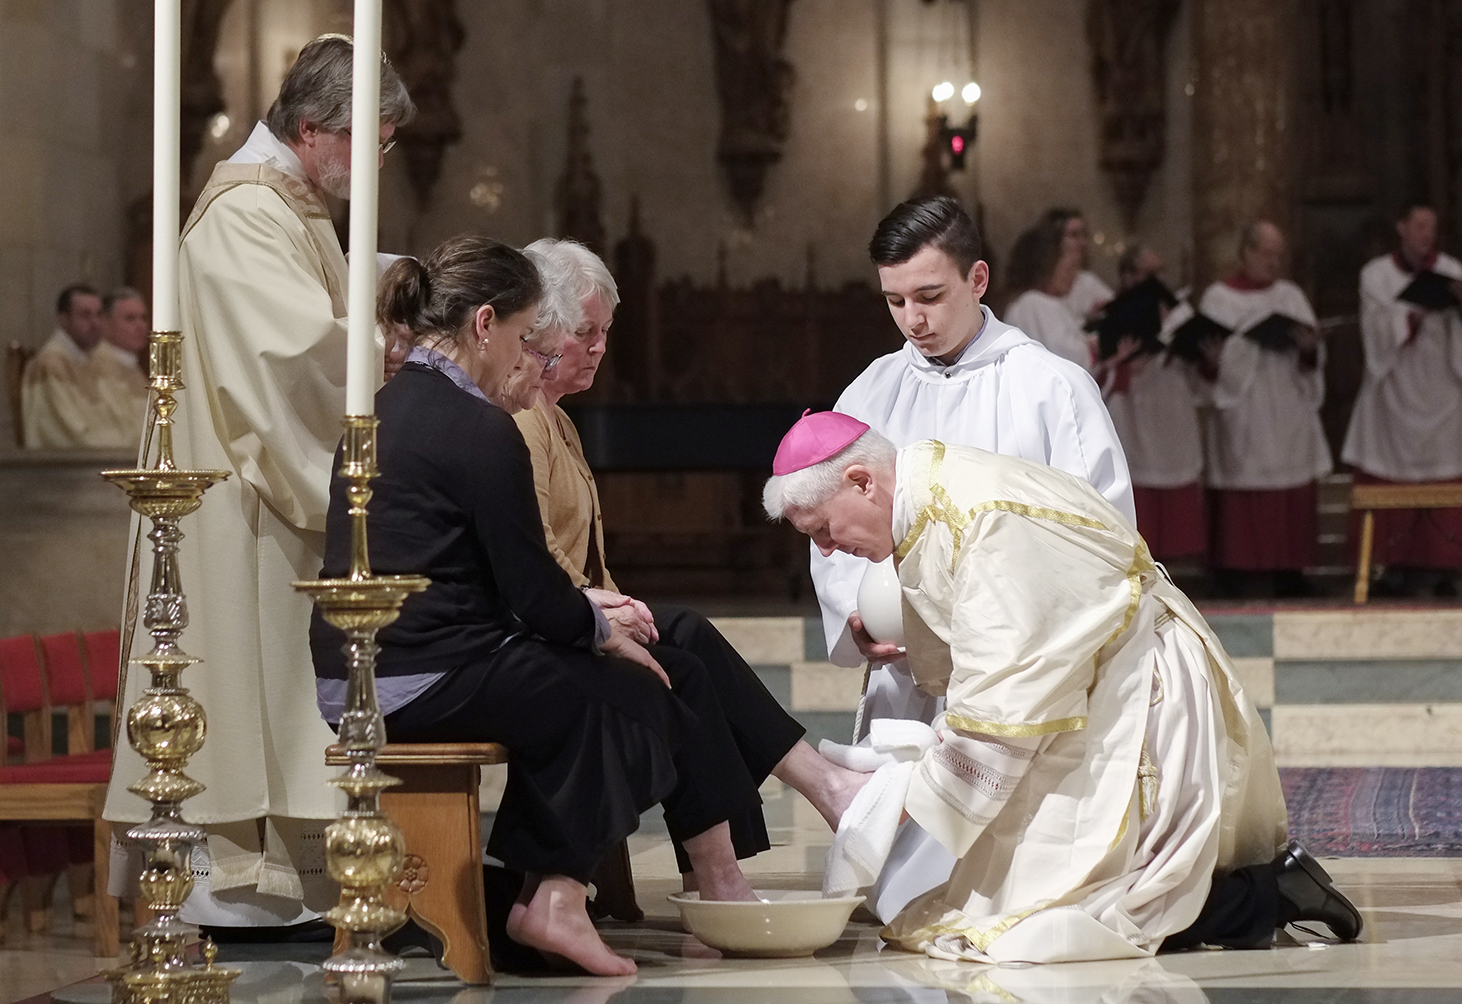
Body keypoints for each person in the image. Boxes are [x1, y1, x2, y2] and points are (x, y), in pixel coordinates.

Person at [312, 235, 860, 975]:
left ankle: (550, 895)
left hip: (370, 665)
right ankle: (549, 899)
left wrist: (594, 629)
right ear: (485, 324)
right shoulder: (478, 427)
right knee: (639, 694)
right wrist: (601, 630)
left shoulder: (388, 407)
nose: (528, 357)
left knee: (631, 683)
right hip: (419, 674)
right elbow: (532, 590)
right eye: (523, 337)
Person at [765, 411, 1363, 963]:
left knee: (1053, 917)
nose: (826, 549)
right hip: (1083, 681)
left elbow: (1007, 685)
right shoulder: (932, 495)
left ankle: (1270, 894)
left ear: (862, 482)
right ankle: (1256, 892)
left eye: (822, 529)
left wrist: (913, 797)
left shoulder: (981, 514)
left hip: (1133, 687)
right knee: (1024, 899)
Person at [104, 35, 416, 932]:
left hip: (261, 485)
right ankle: (232, 893)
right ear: (313, 128)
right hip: (235, 501)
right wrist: (383, 344)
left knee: (277, 680)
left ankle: (304, 883)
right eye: (373, 140)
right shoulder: (245, 213)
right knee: (240, 672)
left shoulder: (290, 204)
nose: (380, 161)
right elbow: (288, 356)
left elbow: (314, 318)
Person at [812, 195, 1133, 922]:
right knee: (898, 895)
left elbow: (1103, 532)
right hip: (908, 664)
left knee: (1014, 888)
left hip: (1022, 667)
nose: (912, 320)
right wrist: (856, 616)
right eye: (894, 301)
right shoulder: (870, 393)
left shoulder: (1050, 387)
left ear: (978, 279)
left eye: (930, 296)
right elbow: (830, 526)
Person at [511, 238, 863, 885]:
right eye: (586, 333)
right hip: (545, 626)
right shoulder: (525, 420)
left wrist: (617, 608)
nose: (600, 348)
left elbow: (588, 554)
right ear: (542, 325)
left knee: (685, 637)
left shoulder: (557, 419)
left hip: (577, 615)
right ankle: (752, 842)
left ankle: (757, 838)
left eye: (606, 333)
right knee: (685, 657)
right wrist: (608, 618)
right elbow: (533, 547)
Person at [1198, 221, 1331, 597]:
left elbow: (1312, 352)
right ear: (1247, 252)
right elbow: (1209, 358)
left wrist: (1308, 349)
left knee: (1291, 486)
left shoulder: (1290, 295)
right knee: (1244, 487)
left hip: (1287, 407)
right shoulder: (1219, 298)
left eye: (1278, 255)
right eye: (1266, 254)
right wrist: (1228, 354)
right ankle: (1235, 572)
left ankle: (1291, 570)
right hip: (1246, 411)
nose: (1273, 262)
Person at [1342, 205, 1462, 595]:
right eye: (1420, 226)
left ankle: (1442, 568)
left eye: (1433, 228)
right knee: (1387, 470)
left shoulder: (1452, 270)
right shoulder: (1376, 274)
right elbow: (1376, 329)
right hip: (1394, 390)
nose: (1428, 234)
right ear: (1402, 228)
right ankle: (1388, 568)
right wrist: (1410, 316)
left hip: (1442, 389)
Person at [1103, 245, 1207, 563]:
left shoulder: (1179, 312)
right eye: (1149, 274)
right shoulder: (1110, 315)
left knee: (1173, 541)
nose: (1158, 280)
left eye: (1161, 273)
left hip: (1173, 417)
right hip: (1131, 418)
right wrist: (1123, 366)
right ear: (1128, 276)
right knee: (1137, 536)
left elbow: (1202, 375)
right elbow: (1095, 370)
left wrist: (1206, 355)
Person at [1002, 219, 1095, 372]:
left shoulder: (1041, 303)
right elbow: (1069, 361)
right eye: (1068, 268)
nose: (1073, 277)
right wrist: (1093, 348)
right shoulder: (1034, 304)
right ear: (1045, 265)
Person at [21, 284, 105, 449]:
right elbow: (68, 432)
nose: (95, 323)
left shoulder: (88, 361)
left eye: (98, 315)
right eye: (85, 315)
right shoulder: (50, 364)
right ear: (64, 319)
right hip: (64, 461)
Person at [91, 288, 151, 449]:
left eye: (143, 318)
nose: (141, 326)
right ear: (106, 323)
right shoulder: (97, 367)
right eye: (130, 318)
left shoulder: (132, 367)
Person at [1043, 206, 1113, 320]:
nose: (1082, 242)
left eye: (1084, 235)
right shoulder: (1039, 285)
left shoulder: (1088, 281)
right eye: (1074, 235)